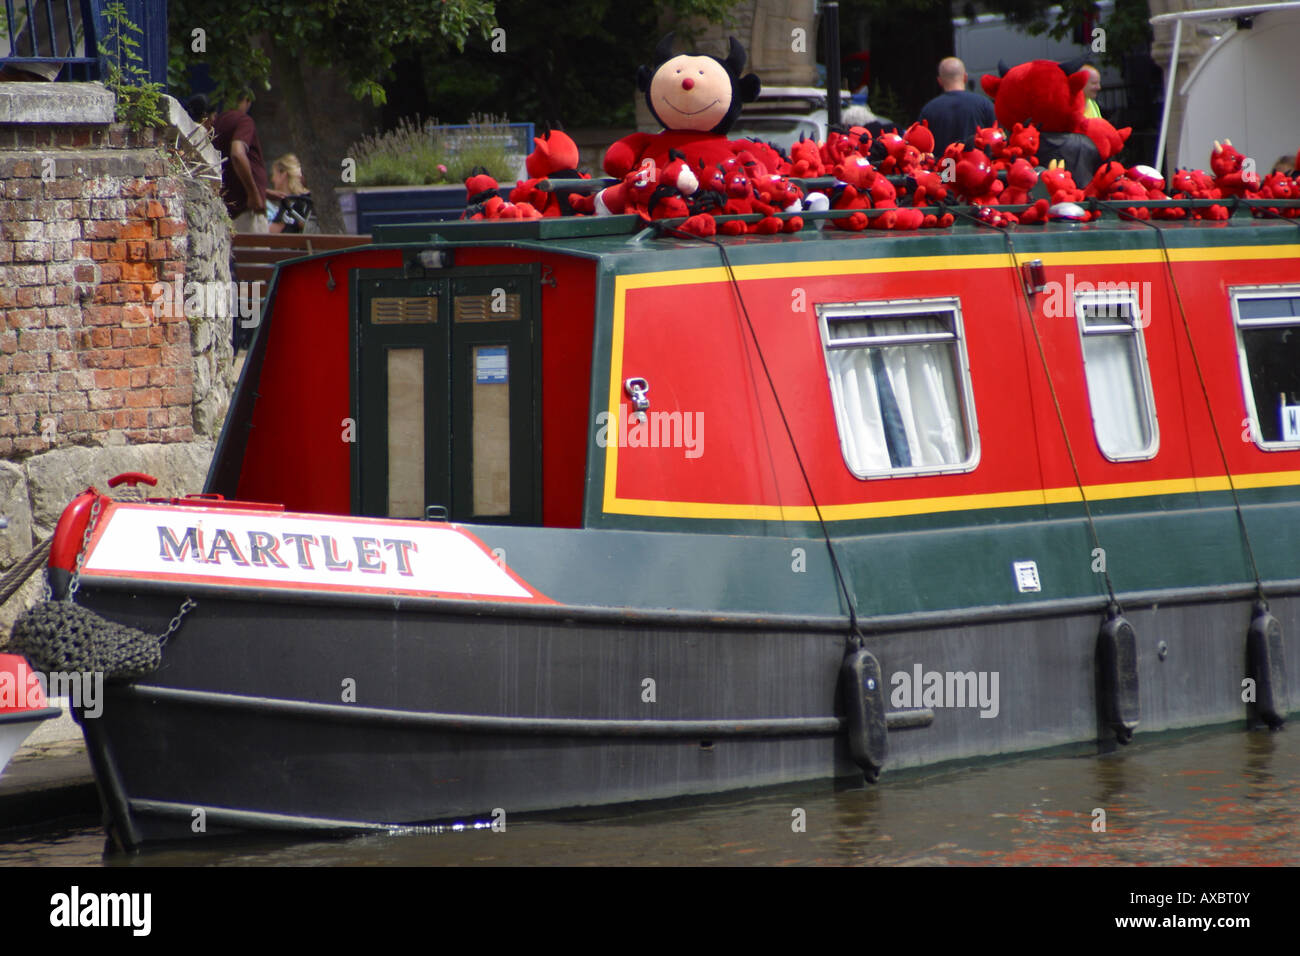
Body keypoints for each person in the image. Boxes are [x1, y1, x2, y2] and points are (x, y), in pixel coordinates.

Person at [212, 89, 268, 232]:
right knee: (256, 254)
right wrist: (254, 194)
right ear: (246, 100)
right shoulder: (243, 120)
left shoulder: (217, 123)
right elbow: (237, 154)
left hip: (228, 207)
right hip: (246, 209)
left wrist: (265, 191)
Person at [917, 57, 996, 154]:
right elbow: (996, 140)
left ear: (940, 81)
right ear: (965, 77)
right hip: (978, 166)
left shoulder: (928, 110)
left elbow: (921, 146)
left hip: (944, 167)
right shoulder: (984, 104)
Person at [267, 154, 313, 233]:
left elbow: (272, 231)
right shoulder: (306, 199)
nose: (272, 179)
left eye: (274, 174)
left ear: (283, 175)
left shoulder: (292, 203)